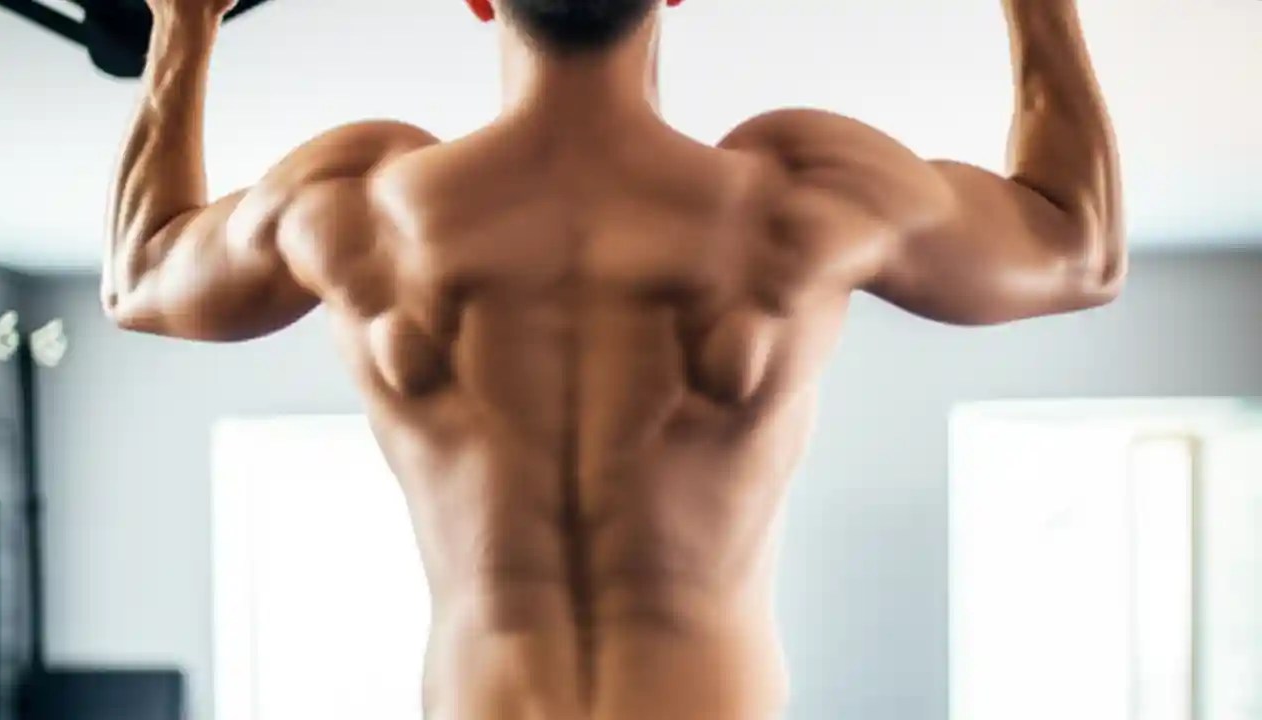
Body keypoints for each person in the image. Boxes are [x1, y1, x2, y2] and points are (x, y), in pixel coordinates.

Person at [102, 0, 1125, 717]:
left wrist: (182, 26)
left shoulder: (360, 199)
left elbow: (142, 274)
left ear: (476, 0)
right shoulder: (799, 196)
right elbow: (1075, 246)